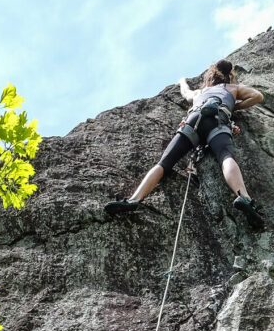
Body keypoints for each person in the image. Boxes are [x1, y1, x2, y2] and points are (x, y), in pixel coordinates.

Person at [105, 59, 265, 228]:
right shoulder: (233, 88)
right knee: (225, 156)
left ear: (210, 77)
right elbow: (258, 96)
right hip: (219, 120)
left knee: (165, 162)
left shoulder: (200, 92)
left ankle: (133, 200)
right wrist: (234, 107)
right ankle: (244, 198)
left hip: (193, 121)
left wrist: (182, 81)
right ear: (228, 76)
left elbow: (185, 93)